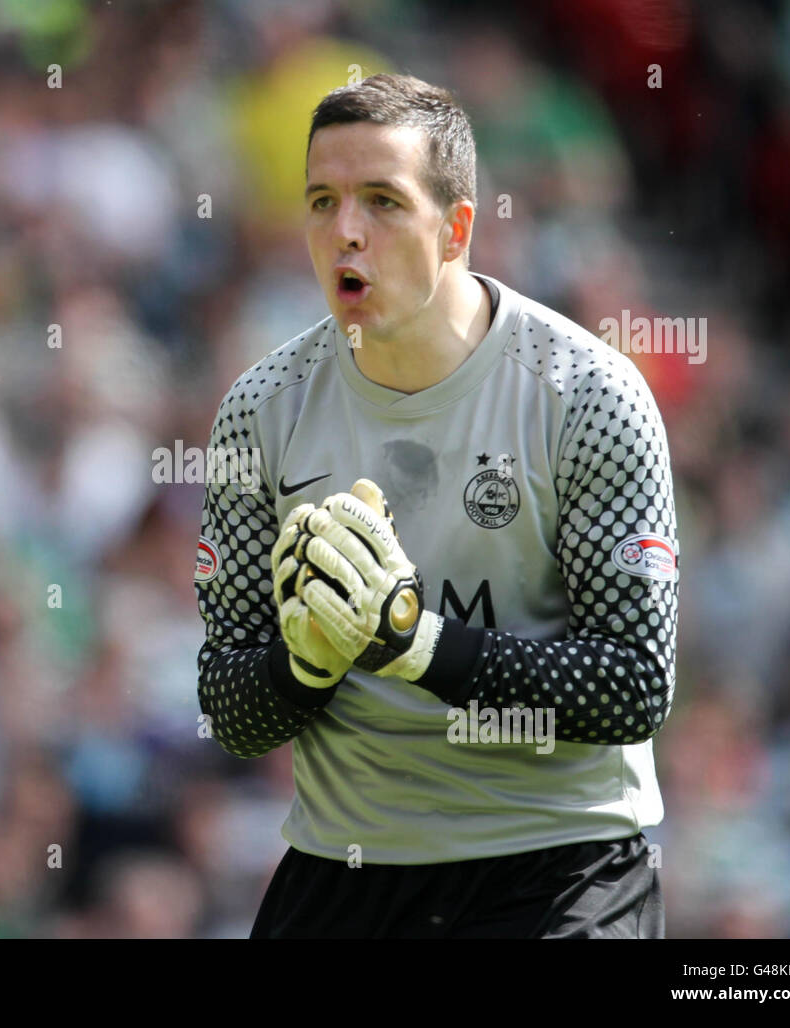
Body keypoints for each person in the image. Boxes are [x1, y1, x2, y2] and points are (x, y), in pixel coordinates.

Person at [194, 74, 678, 938]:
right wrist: (302, 664)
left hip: (560, 861)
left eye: (382, 201)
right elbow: (230, 710)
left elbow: (635, 687)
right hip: (348, 862)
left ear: (455, 229)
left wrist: (415, 643)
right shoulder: (259, 409)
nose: (345, 232)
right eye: (321, 201)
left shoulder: (588, 395)